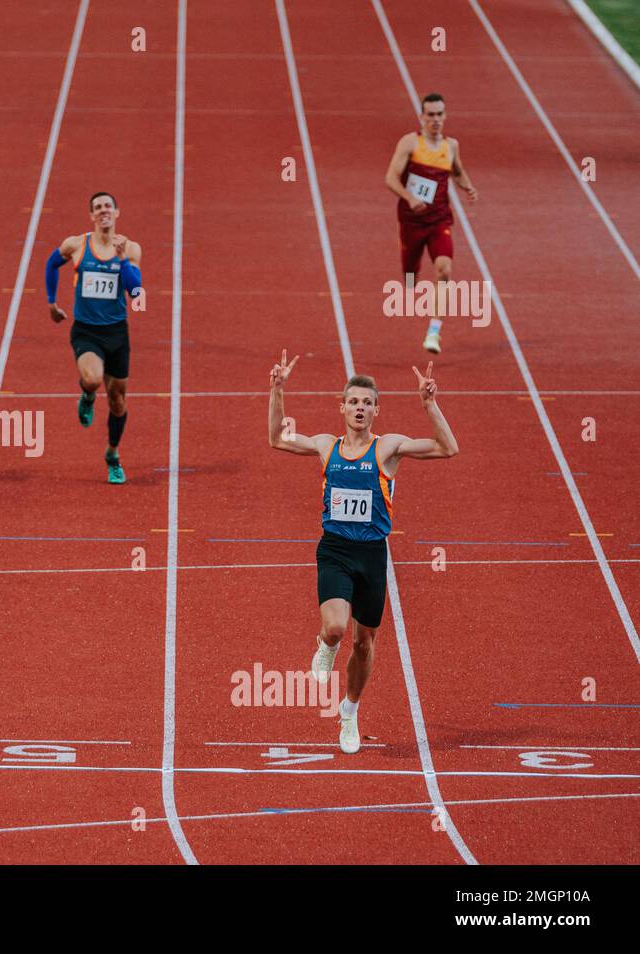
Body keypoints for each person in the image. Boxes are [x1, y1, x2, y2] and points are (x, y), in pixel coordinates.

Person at [267, 352, 458, 754]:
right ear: (342, 407)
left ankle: (350, 710)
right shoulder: (325, 446)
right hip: (335, 549)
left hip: (372, 555)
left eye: (367, 402)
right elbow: (276, 439)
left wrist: (429, 403)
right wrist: (277, 390)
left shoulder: (387, 448)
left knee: (365, 643)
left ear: (376, 410)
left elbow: (447, 449)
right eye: (353, 401)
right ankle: (325, 647)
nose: (359, 408)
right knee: (336, 628)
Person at [44, 191, 144, 484]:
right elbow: (51, 264)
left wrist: (123, 260)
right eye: (98, 207)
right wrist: (52, 302)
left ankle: (112, 455)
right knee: (92, 377)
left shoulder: (131, 248)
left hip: (116, 334)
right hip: (86, 331)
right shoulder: (76, 245)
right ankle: (87, 395)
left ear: (116, 212)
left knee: (117, 401)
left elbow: (136, 291)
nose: (103, 211)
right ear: (91, 215)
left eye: (108, 206)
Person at [384, 92, 478, 354]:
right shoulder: (410, 143)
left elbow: (457, 172)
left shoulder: (451, 147)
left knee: (444, 269)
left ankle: (433, 332)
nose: (435, 120)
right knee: (411, 277)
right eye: (431, 115)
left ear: (445, 116)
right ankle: (410, 276)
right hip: (412, 221)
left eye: (440, 115)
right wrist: (409, 197)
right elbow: (390, 178)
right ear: (422, 117)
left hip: (439, 219)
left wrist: (467, 187)